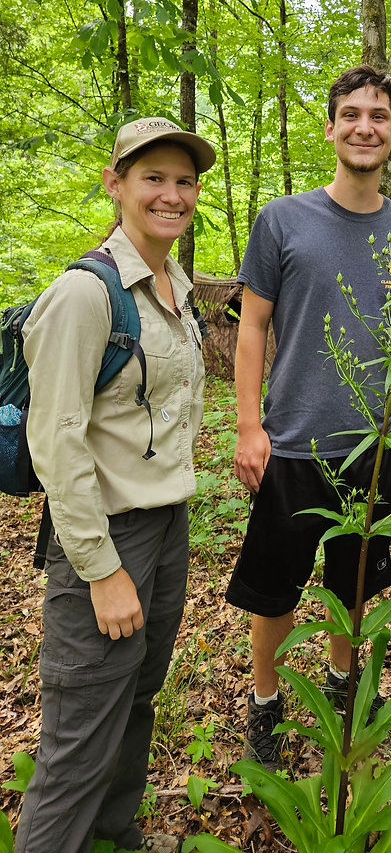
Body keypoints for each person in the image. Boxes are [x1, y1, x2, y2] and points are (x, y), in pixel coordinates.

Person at [227, 65, 391, 771]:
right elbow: (252, 326)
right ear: (330, 128)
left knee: (355, 585)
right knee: (274, 588)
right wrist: (249, 426)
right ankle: (266, 703)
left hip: (369, 449)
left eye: (378, 115)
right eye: (351, 114)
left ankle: (344, 685)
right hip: (291, 441)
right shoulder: (283, 219)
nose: (364, 126)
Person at [15, 117, 216, 853]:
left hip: (166, 525)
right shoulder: (83, 294)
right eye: (152, 178)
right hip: (105, 533)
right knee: (80, 725)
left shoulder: (174, 286)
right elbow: (55, 441)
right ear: (116, 183)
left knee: (136, 698)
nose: (171, 194)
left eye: (184, 180)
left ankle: (113, 832)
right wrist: (100, 571)